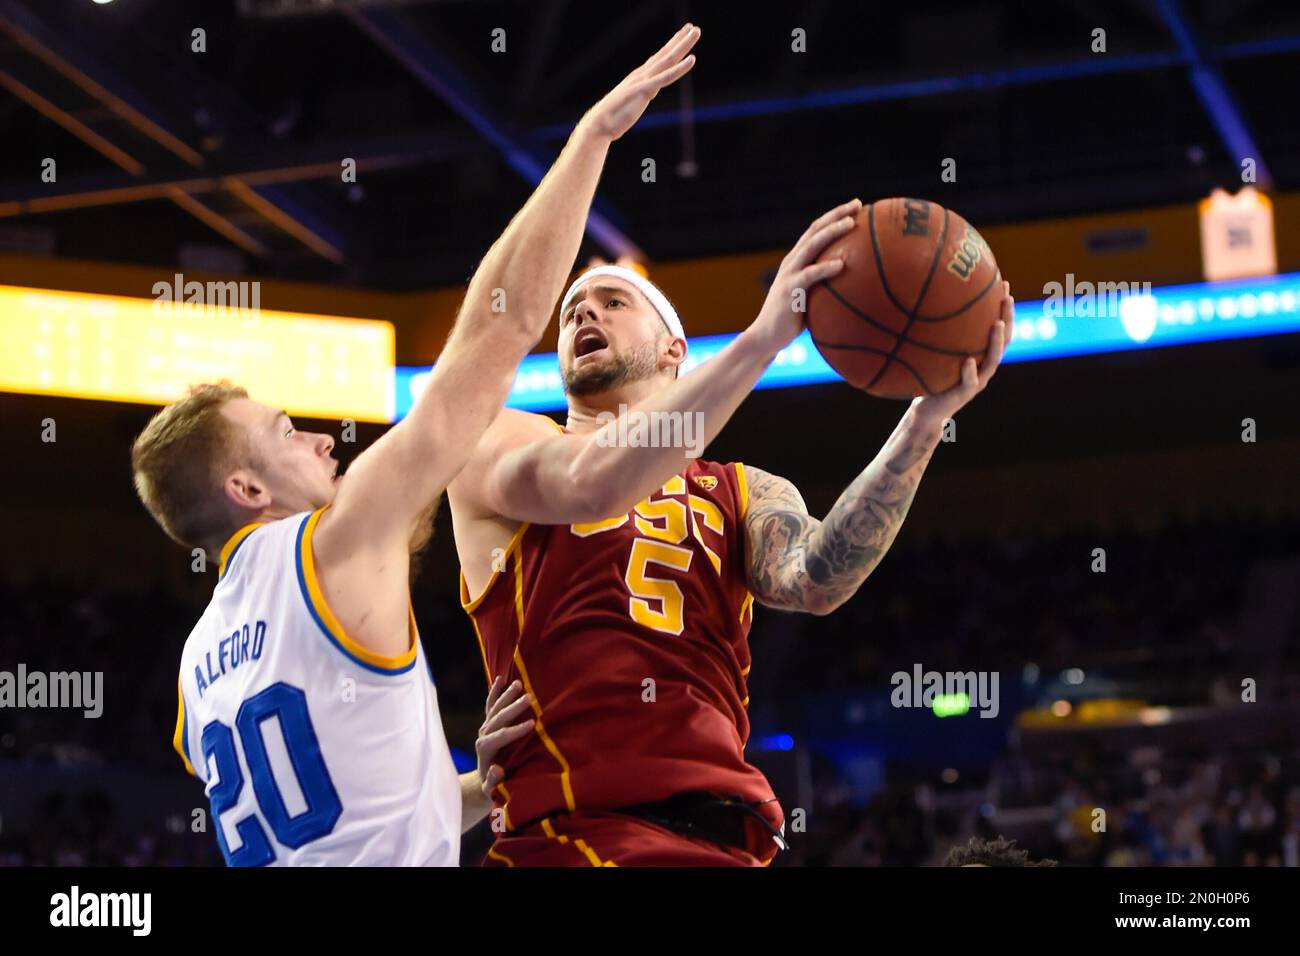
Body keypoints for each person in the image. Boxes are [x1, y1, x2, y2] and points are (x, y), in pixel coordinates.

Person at [129, 23, 702, 865]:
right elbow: (498, 331)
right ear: (247, 490)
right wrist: (591, 141)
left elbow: (336, 809)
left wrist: (479, 782)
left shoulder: (194, 669)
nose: (325, 443)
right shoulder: (333, 541)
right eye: (288, 434)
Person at [448, 206, 1013, 865]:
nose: (582, 315)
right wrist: (765, 337)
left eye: (612, 301)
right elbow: (589, 478)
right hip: (574, 831)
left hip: (720, 834)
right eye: (571, 310)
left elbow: (817, 581)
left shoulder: (742, 491)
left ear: (673, 350)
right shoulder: (510, 441)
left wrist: (923, 425)